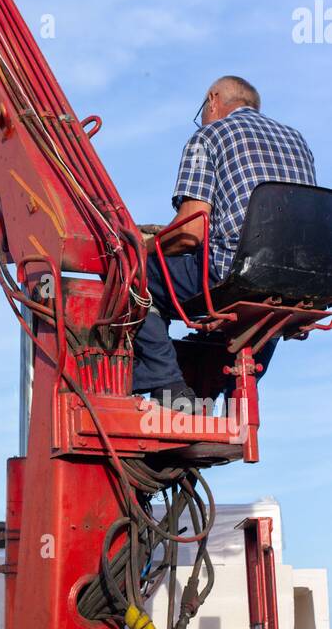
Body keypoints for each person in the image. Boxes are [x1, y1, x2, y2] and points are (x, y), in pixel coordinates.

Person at [132, 76, 316, 405]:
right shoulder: (297, 141)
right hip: (298, 283)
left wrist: (140, 248)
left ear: (213, 100)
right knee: (267, 294)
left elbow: (189, 232)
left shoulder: (210, 135)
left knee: (132, 274)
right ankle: (238, 397)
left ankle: (167, 384)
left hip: (233, 274)